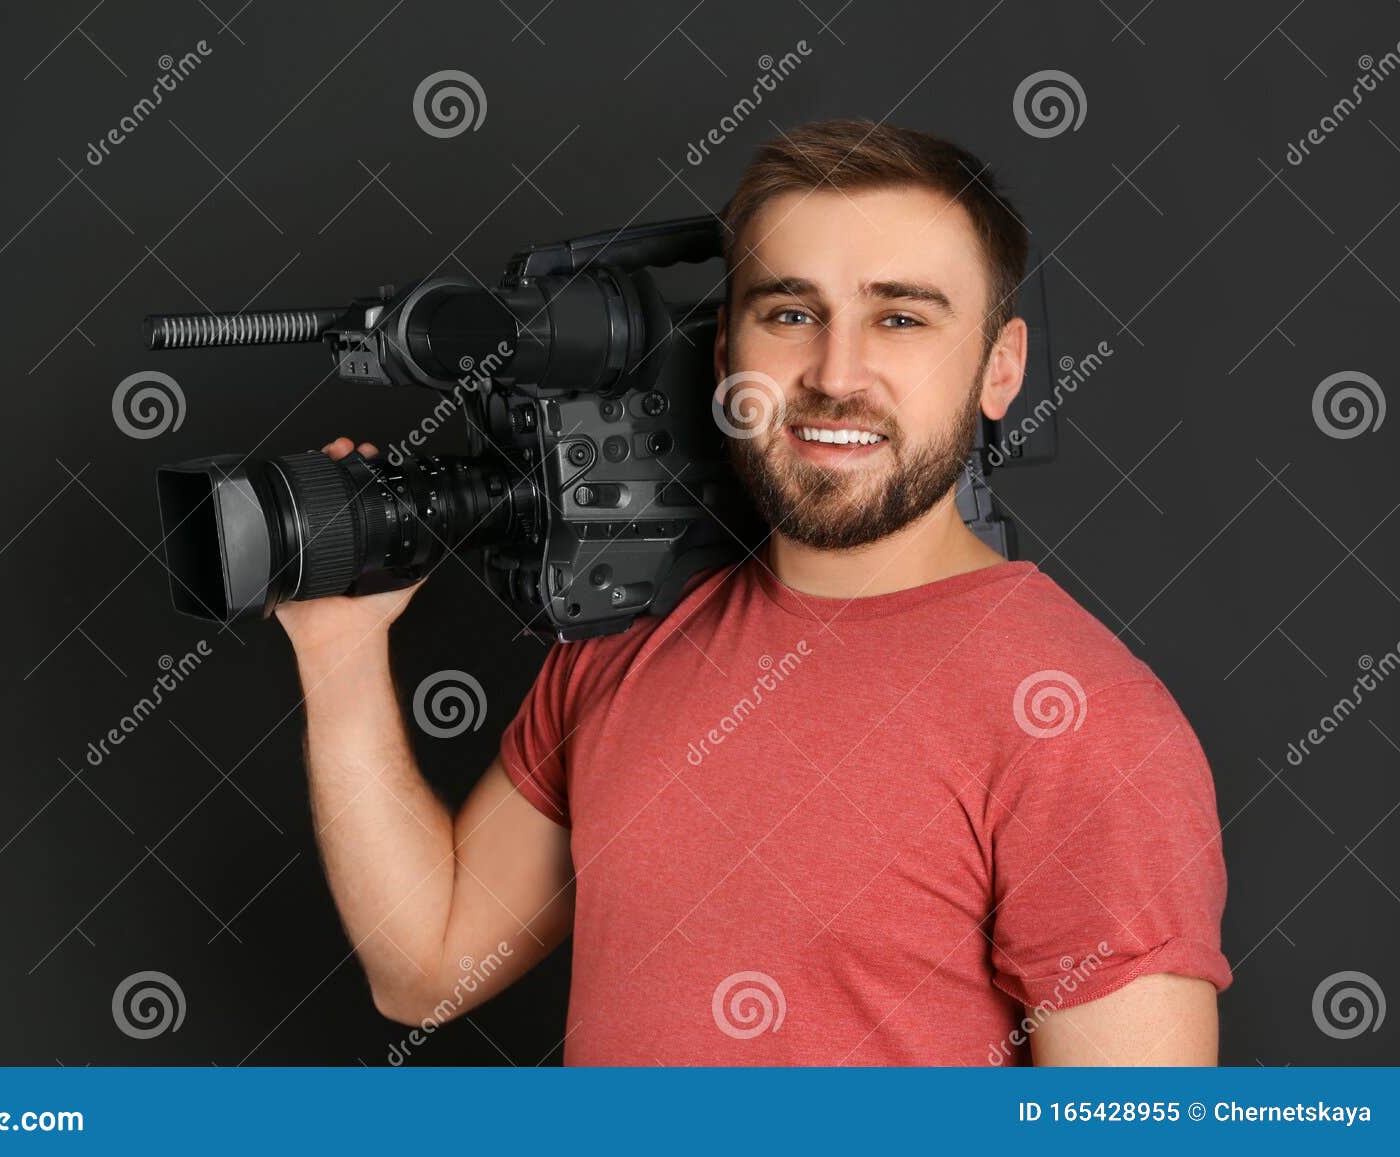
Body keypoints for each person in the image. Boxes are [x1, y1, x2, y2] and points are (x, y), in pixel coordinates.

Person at [276, 118, 1231, 1066]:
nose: (836, 374)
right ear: (729, 349)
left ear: (1002, 367)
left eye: (901, 318)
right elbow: (425, 965)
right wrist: (342, 651)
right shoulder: (621, 645)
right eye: (792, 313)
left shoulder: (1080, 722)